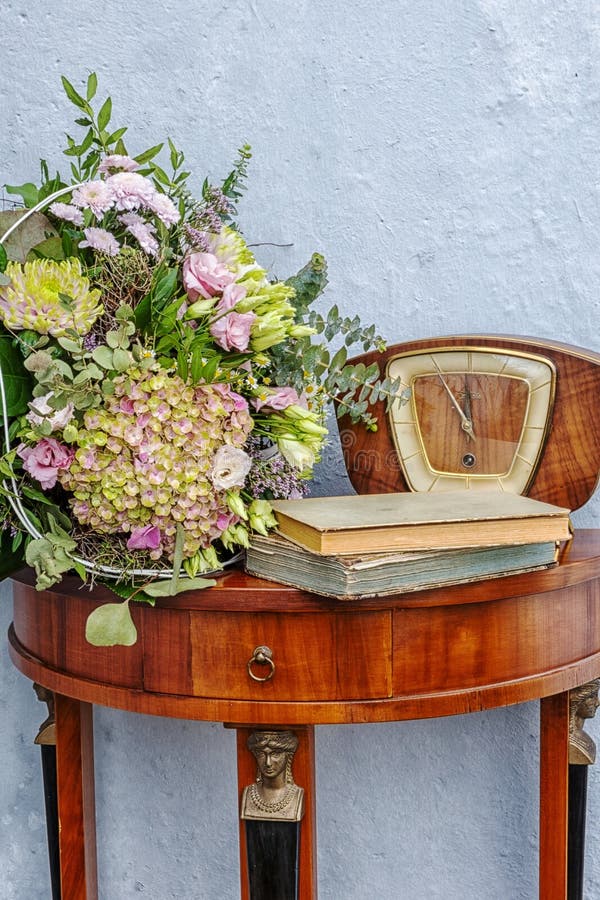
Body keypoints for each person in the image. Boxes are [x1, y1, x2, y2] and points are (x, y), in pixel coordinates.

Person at [240, 730, 304, 821]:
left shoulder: (296, 795)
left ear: (288, 756)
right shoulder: (249, 794)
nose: (268, 763)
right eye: (262, 754)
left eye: (275, 754)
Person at [569, 679, 600, 765]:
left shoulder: (585, 740)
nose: (597, 703)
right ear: (576, 701)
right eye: (591, 697)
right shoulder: (570, 742)